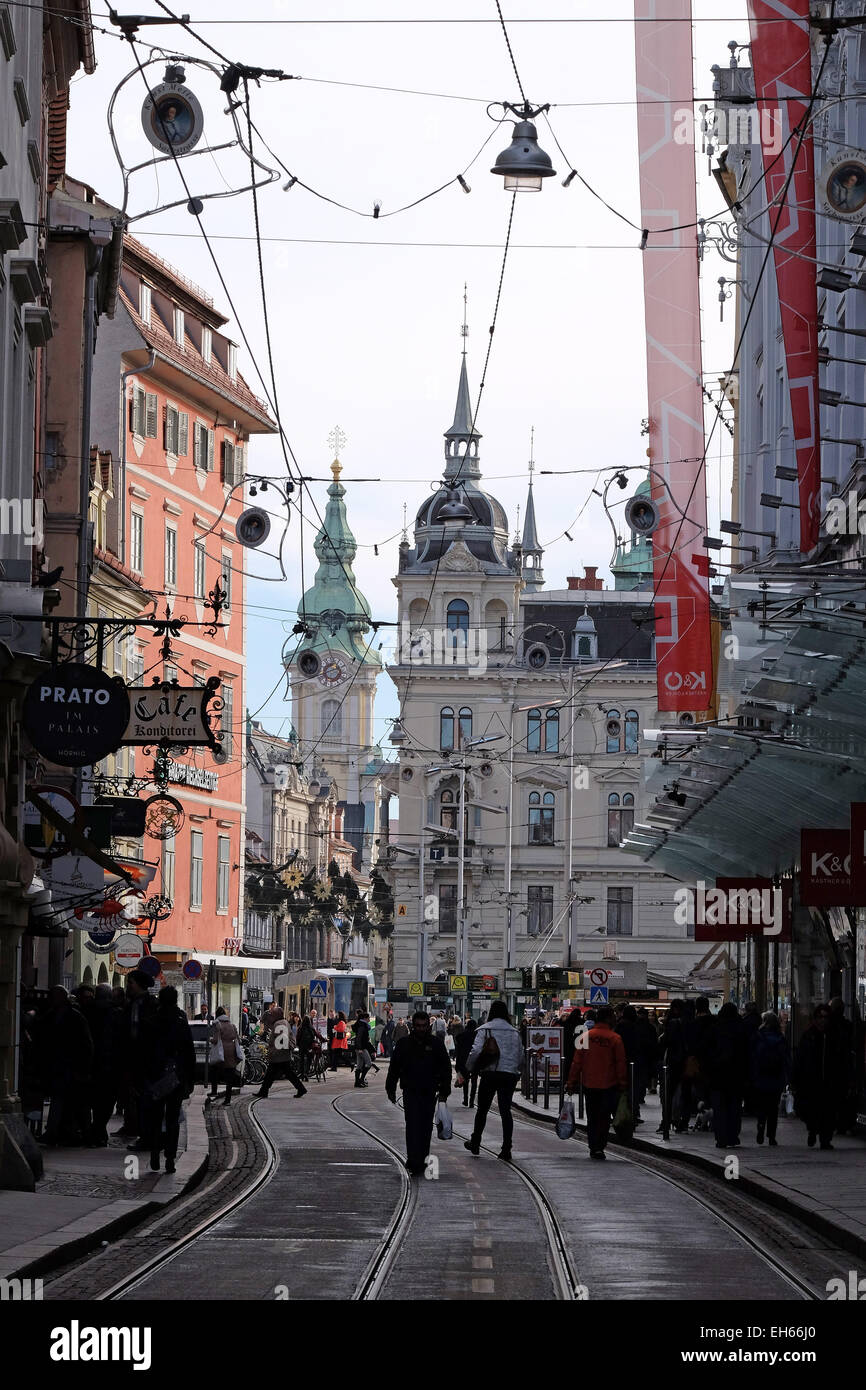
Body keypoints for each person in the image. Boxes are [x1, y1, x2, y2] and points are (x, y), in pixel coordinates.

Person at [386, 1011, 451, 1177]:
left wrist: (444, 1090)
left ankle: (422, 1157)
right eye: (418, 1026)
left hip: (429, 1091)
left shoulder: (436, 1044)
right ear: (413, 1026)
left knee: (426, 1126)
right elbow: (394, 1067)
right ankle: (413, 1158)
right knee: (412, 1124)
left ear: (428, 1026)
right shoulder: (404, 1044)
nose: (421, 1029)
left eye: (424, 1026)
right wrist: (390, 1087)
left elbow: (445, 1067)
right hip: (410, 1090)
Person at [460, 1001, 524, 1162]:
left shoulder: (486, 1029)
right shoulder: (514, 1032)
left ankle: (475, 1142)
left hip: (490, 1074)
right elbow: (520, 1055)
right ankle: (506, 1148)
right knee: (505, 1111)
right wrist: (518, 1072)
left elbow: (475, 1051)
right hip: (509, 1075)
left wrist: (468, 1069)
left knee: (482, 1109)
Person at [142, 987, 196, 1173]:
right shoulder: (181, 1023)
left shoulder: (151, 1022)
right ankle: (170, 1159)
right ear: (175, 1000)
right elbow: (189, 1053)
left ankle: (155, 1153)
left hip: (155, 1077)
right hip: (176, 1078)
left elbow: (143, 1053)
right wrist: (189, 1080)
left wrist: (144, 1077)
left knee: (155, 1118)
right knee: (173, 1119)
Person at [566, 1004, 627, 1159]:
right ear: (607, 1018)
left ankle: (593, 1146)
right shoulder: (615, 1038)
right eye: (613, 1016)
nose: (615, 1019)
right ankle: (600, 1145)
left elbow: (577, 1062)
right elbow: (620, 1063)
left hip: (589, 1083)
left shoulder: (585, 1036)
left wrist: (571, 1082)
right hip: (609, 1084)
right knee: (604, 1117)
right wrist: (622, 1083)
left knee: (592, 1116)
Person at [37, 986, 94, 1147]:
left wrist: (84, 1067)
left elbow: (86, 1044)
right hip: (61, 1067)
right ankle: (66, 1132)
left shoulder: (72, 1016)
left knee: (71, 1102)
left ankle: (73, 1133)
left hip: (70, 1066)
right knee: (65, 1101)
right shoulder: (56, 1015)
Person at [793, 1004, 844, 1149]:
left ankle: (825, 1139)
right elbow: (800, 1059)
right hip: (811, 1082)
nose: (823, 1020)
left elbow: (842, 1059)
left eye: (825, 1017)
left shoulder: (835, 1036)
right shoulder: (809, 1036)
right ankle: (812, 1130)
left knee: (828, 1112)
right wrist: (796, 1079)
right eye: (820, 1017)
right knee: (812, 1111)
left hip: (829, 1082)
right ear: (815, 1018)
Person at [704, 1001, 748, 1149]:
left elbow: (707, 1051)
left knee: (719, 1107)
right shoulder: (741, 1028)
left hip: (718, 1075)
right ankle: (732, 1135)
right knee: (734, 1107)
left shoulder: (715, 1028)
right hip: (736, 1075)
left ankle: (721, 1137)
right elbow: (747, 1052)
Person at [750, 1011, 790, 1146]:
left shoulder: (758, 1036)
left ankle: (761, 1126)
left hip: (761, 1078)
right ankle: (771, 1136)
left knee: (761, 1106)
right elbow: (785, 1059)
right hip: (776, 1078)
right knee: (773, 1108)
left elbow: (753, 1058)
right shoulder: (781, 1038)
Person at [254, 1002, 307, 1100]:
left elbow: (281, 1041)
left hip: (279, 1055)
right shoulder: (284, 1022)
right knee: (280, 1074)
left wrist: (273, 1053)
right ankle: (264, 1091)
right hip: (282, 1054)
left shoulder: (279, 1024)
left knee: (276, 1074)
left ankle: (264, 1091)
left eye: (273, 1014)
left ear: (277, 1015)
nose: (271, 1016)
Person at [209, 1007, 243, 1105]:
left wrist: (209, 1040)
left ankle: (214, 1091)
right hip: (231, 1051)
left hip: (221, 1051)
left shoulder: (218, 1025)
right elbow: (238, 1039)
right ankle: (228, 1100)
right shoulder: (232, 1025)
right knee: (230, 1077)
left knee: (214, 1070)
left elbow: (215, 1040)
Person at [454, 1017, 478, 1108]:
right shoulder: (477, 1035)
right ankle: (472, 1101)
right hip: (475, 1060)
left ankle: (465, 1099)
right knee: (474, 1081)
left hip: (464, 1060)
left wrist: (457, 1064)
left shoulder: (462, 1036)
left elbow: (458, 1050)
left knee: (465, 1080)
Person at [354, 1010, 374, 1087]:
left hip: (359, 1048)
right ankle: (361, 1079)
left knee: (359, 1065)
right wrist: (360, 1048)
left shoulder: (361, 1025)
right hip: (361, 1048)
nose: (369, 1019)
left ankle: (357, 1082)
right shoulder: (362, 1026)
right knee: (369, 1063)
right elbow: (359, 1038)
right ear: (365, 1018)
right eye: (368, 1018)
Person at [297, 1013, 316, 1081]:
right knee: (309, 1060)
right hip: (309, 1047)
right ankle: (306, 1073)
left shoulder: (300, 1028)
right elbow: (316, 1034)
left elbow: (298, 1037)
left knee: (301, 1060)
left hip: (302, 1046)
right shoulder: (311, 1028)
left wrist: (298, 1044)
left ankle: (302, 1074)